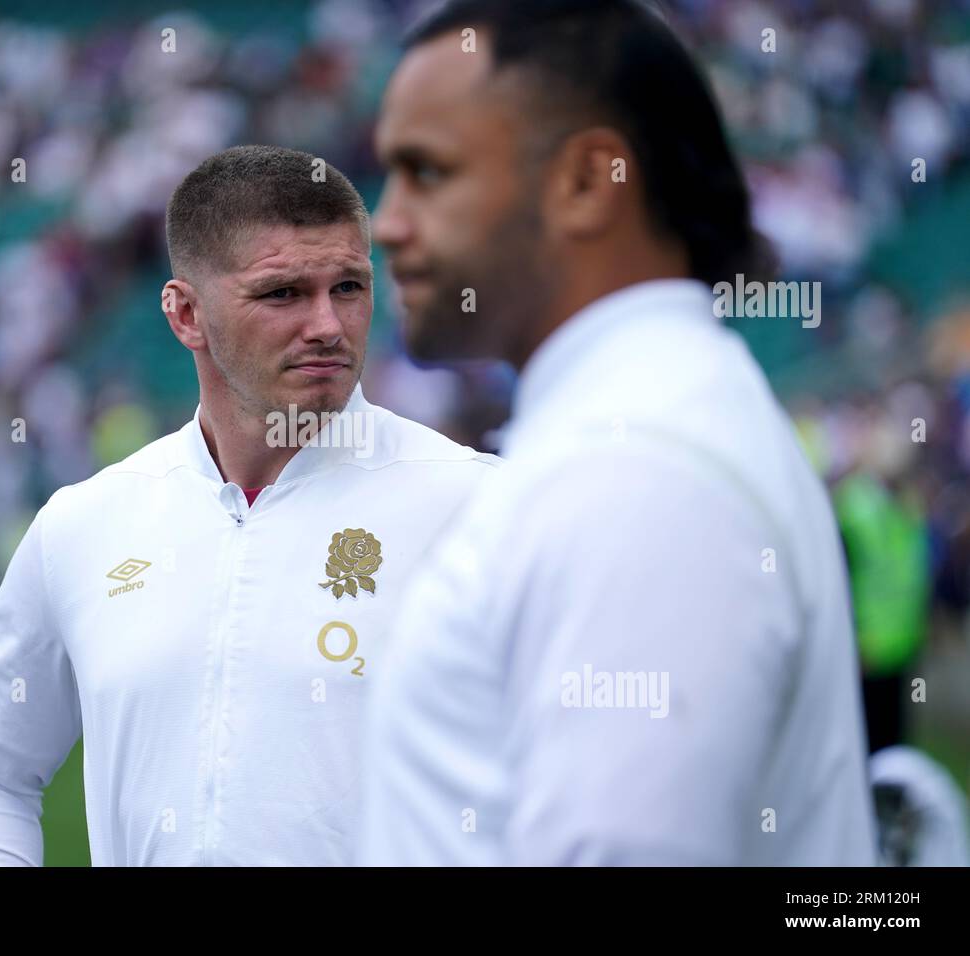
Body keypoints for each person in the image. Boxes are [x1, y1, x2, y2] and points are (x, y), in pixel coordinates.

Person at [358, 0, 875, 865]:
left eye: (428, 172)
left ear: (591, 182)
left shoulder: (633, 469)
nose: (387, 221)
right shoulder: (646, 423)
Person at [0, 145, 498, 866]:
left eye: (349, 287)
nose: (327, 324)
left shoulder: (483, 507)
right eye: (283, 293)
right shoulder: (85, 525)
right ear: (186, 314)